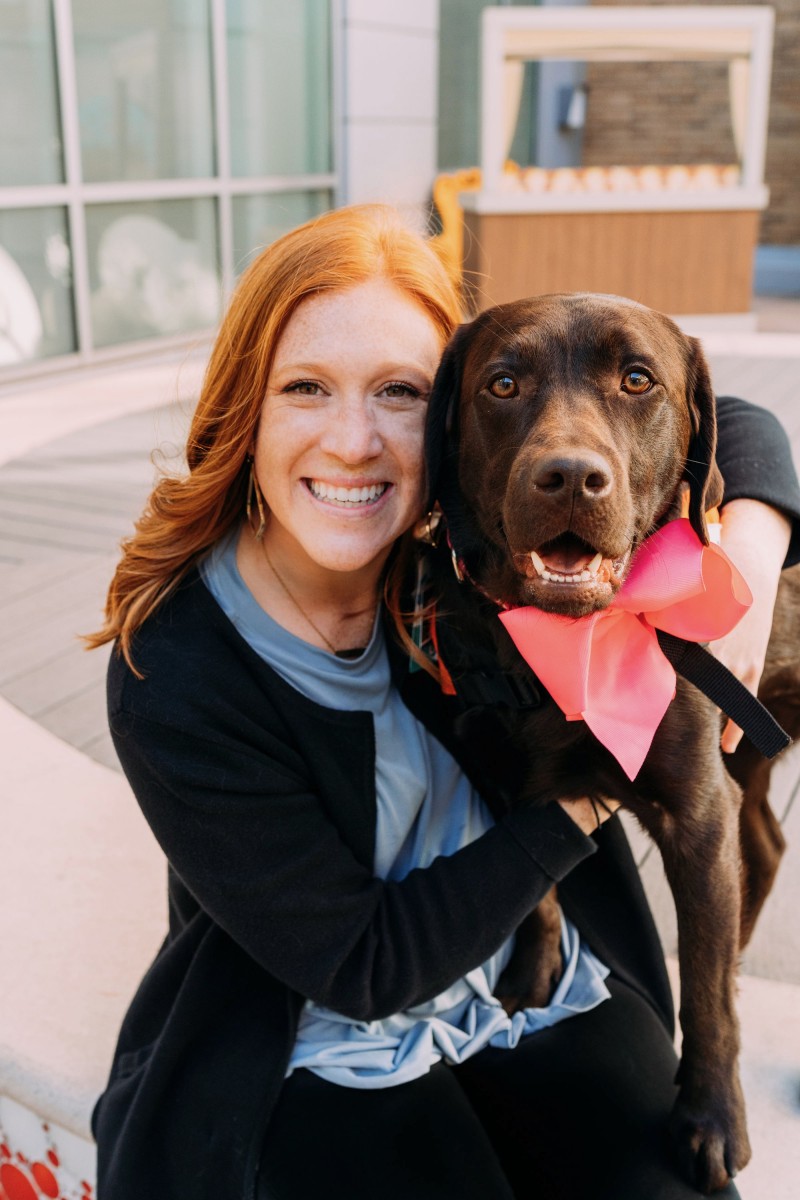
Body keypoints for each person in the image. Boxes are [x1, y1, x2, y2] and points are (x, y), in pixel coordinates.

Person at [87, 204, 800, 1200]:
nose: (353, 441)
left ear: (446, 420)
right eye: (305, 389)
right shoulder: (180, 669)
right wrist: (583, 803)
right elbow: (361, 965)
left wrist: (756, 544)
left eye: (398, 392)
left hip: (542, 982)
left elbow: (699, 406)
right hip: (316, 1031)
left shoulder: (446, 557)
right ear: (243, 405)